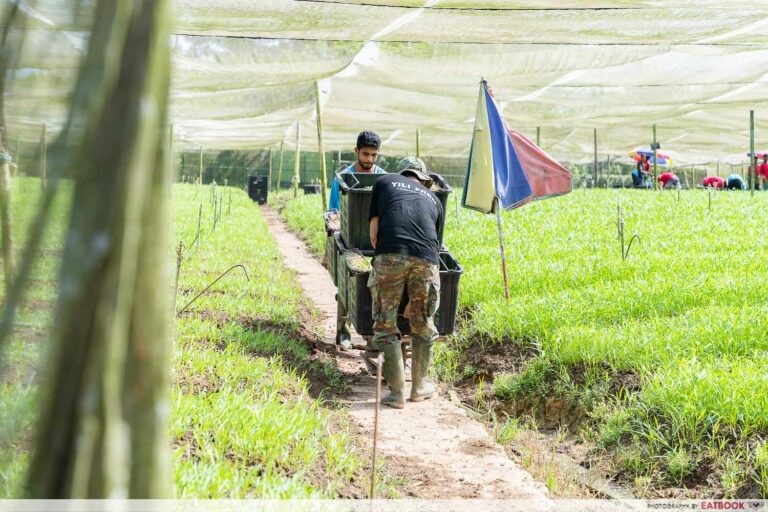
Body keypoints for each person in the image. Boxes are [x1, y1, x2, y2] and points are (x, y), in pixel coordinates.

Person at [368, 156, 444, 409]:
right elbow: (432, 247)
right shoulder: (435, 200)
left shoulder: (384, 181)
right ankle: (420, 387)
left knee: (385, 325)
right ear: (423, 180)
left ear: (401, 174)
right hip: (427, 262)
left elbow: (374, 234)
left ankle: (396, 394)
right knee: (423, 325)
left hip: (391, 251)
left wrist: (386, 265)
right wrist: (413, 298)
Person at [328, 130, 387, 211]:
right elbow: (334, 212)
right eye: (365, 154)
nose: (369, 159)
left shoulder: (385, 179)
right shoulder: (341, 179)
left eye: (374, 155)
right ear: (357, 151)